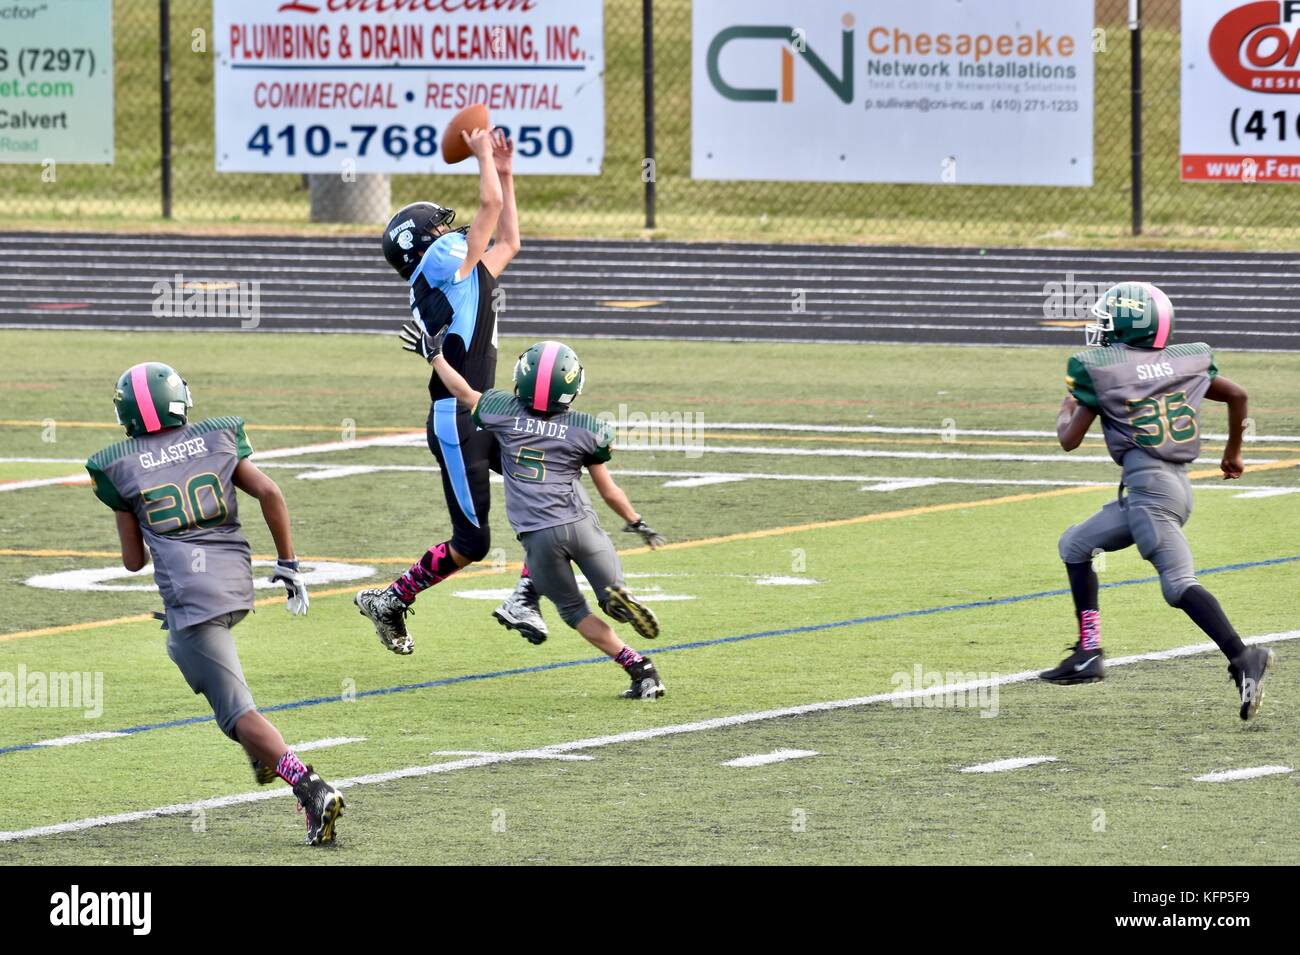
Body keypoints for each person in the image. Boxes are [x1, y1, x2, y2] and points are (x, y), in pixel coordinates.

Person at [85, 362, 344, 844]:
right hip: (233, 584)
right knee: (192, 656)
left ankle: (310, 787)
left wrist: (137, 510)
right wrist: (288, 563)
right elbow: (269, 490)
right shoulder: (215, 437)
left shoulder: (115, 464)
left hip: (191, 595)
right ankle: (258, 751)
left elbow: (132, 562)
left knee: (234, 711)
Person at [356, 125, 550, 653]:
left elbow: (509, 240)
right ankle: (391, 600)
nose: (450, 230)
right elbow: (488, 207)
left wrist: (506, 174)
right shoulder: (439, 264)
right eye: (438, 228)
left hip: (485, 410)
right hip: (458, 418)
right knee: (473, 542)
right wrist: (483, 156)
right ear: (423, 246)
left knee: (549, 484)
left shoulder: (458, 272)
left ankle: (526, 595)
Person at [1044, 282, 1273, 720]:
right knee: (1075, 544)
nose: (1098, 330)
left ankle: (1245, 657)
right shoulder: (1180, 362)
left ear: (1128, 327)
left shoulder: (1105, 372)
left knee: (1178, 584)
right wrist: (1233, 453)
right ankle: (1088, 651)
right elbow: (1238, 395)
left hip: (1152, 495)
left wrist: (1065, 406)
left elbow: (1069, 439)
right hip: (1169, 486)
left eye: (1107, 323)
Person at [404, 325, 668, 698]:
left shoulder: (502, 410)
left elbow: (462, 392)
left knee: (575, 612)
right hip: (581, 525)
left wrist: (435, 357)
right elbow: (609, 490)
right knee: (607, 588)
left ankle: (640, 669)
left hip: (540, 536)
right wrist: (637, 523)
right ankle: (615, 597)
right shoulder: (589, 429)